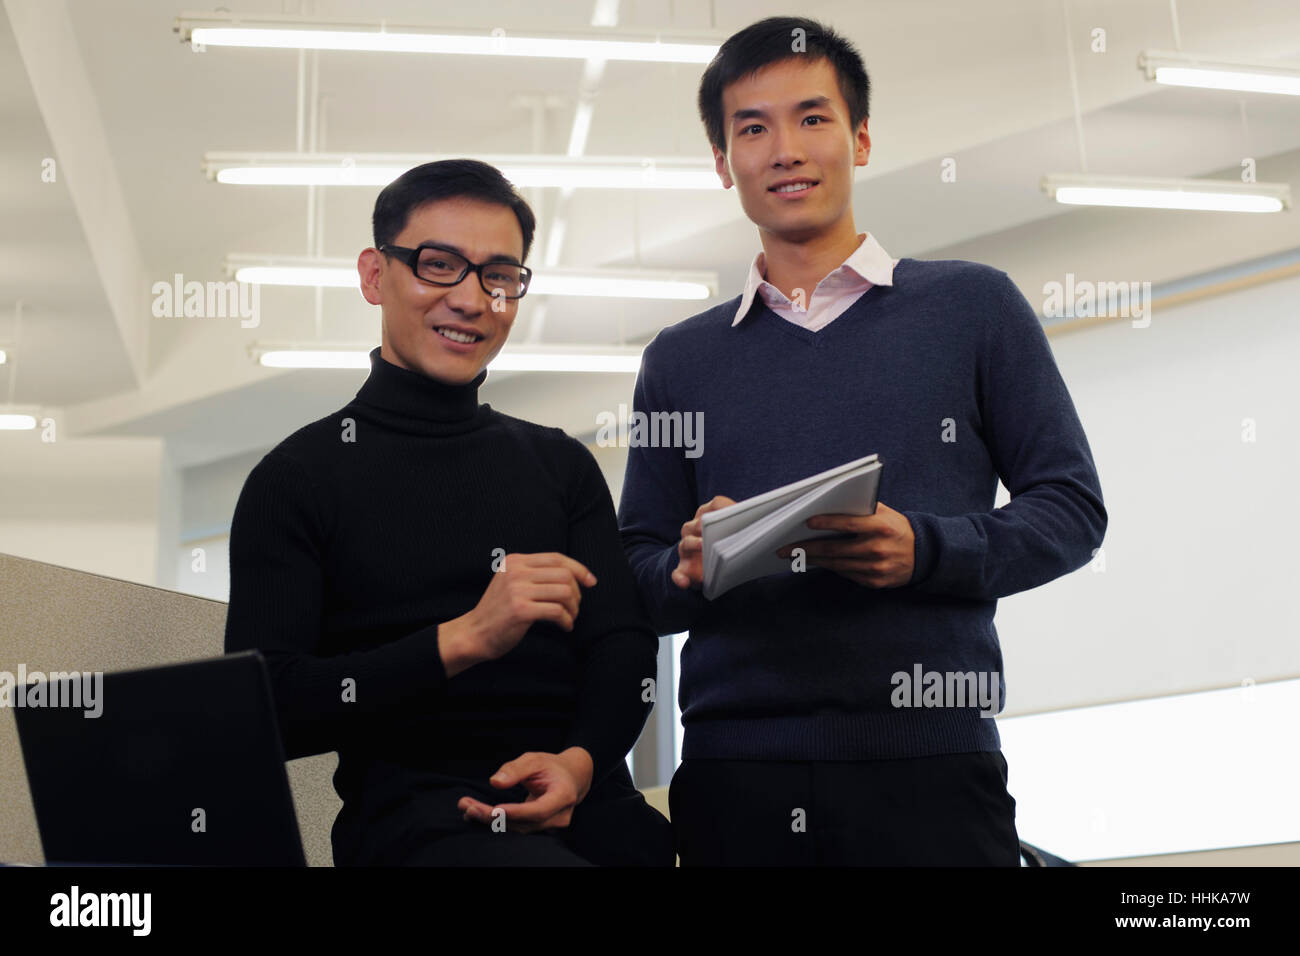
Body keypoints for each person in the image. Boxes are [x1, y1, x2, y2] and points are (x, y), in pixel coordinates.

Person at [618, 17, 1107, 865]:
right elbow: (637, 571)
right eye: (752, 128)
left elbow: (1070, 510)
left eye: (813, 118)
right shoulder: (679, 360)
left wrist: (923, 549)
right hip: (739, 780)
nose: (784, 150)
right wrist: (687, 568)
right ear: (722, 161)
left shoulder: (973, 310)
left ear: (863, 138)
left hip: (933, 766)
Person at [224, 159, 673, 867]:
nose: (471, 299)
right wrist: (464, 638)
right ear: (375, 275)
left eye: (500, 275)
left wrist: (581, 765)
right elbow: (266, 712)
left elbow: (623, 647)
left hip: (591, 808)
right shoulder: (297, 479)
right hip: (419, 825)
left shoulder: (558, 466)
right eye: (439, 265)